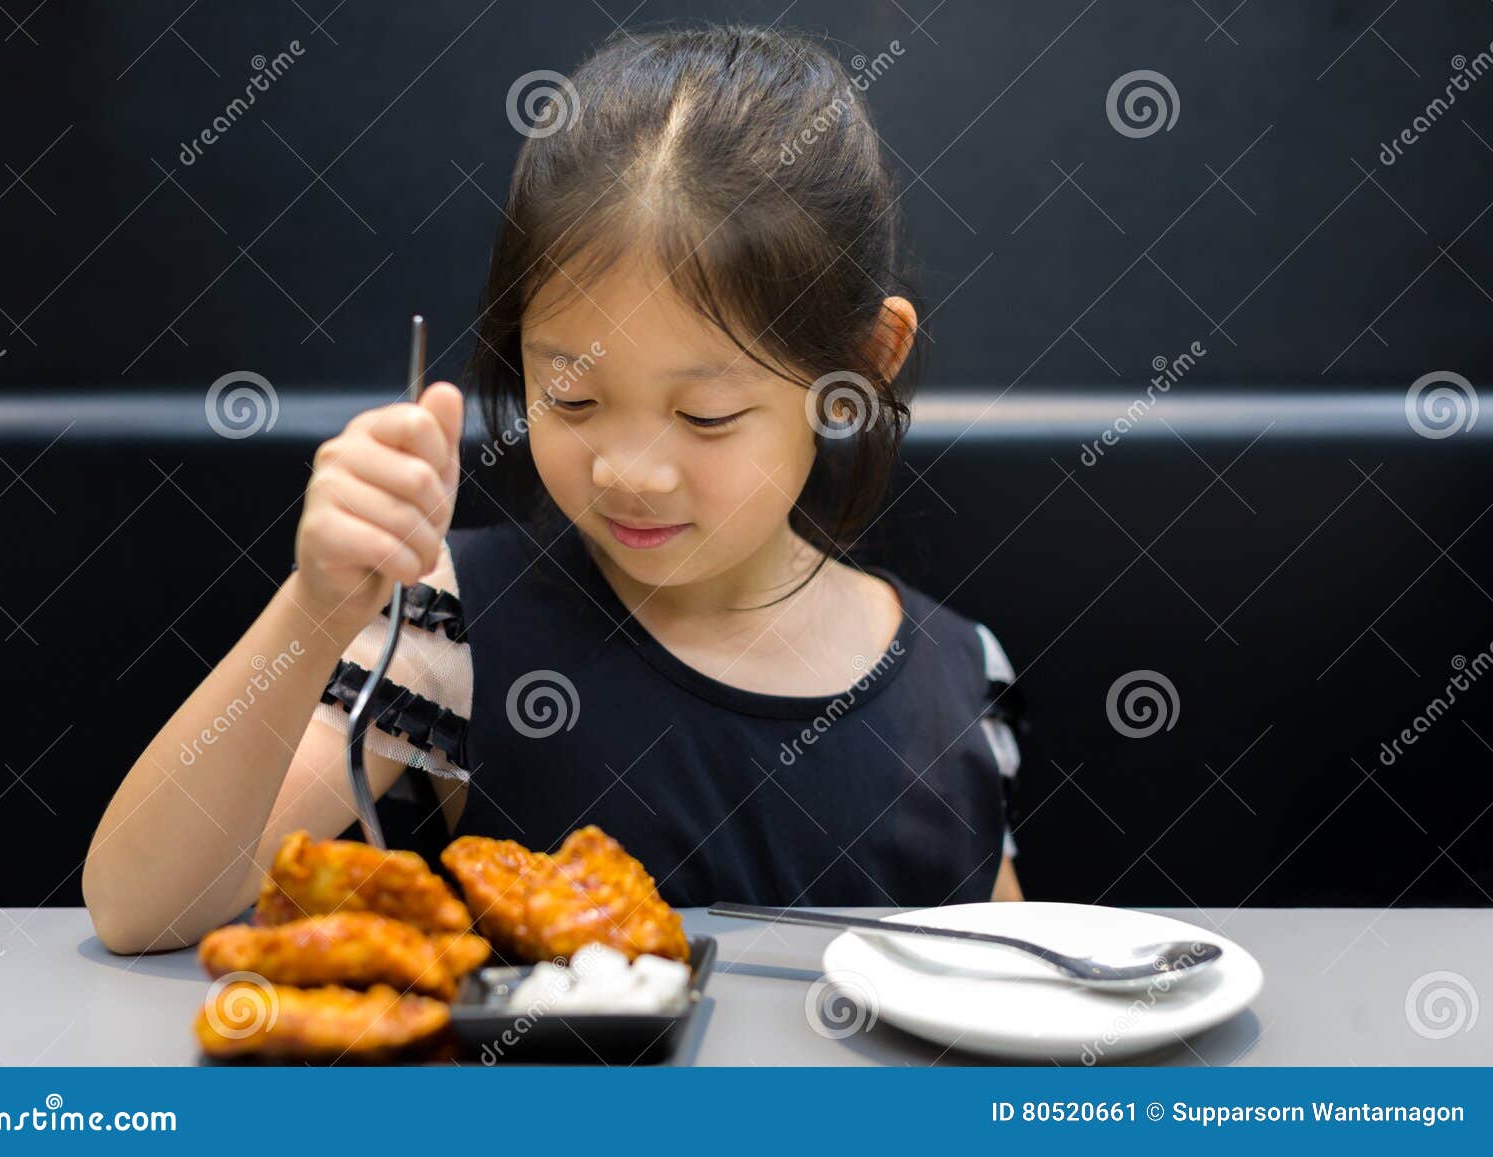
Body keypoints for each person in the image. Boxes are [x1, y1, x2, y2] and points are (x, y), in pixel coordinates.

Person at [84, 23, 1025, 955]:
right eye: (571, 396)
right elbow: (143, 909)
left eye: (704, 417)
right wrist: (315, 607)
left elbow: (1021, 996)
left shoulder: (961, 683)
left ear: (862, 367)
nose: (629, 471)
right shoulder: (448, 630)